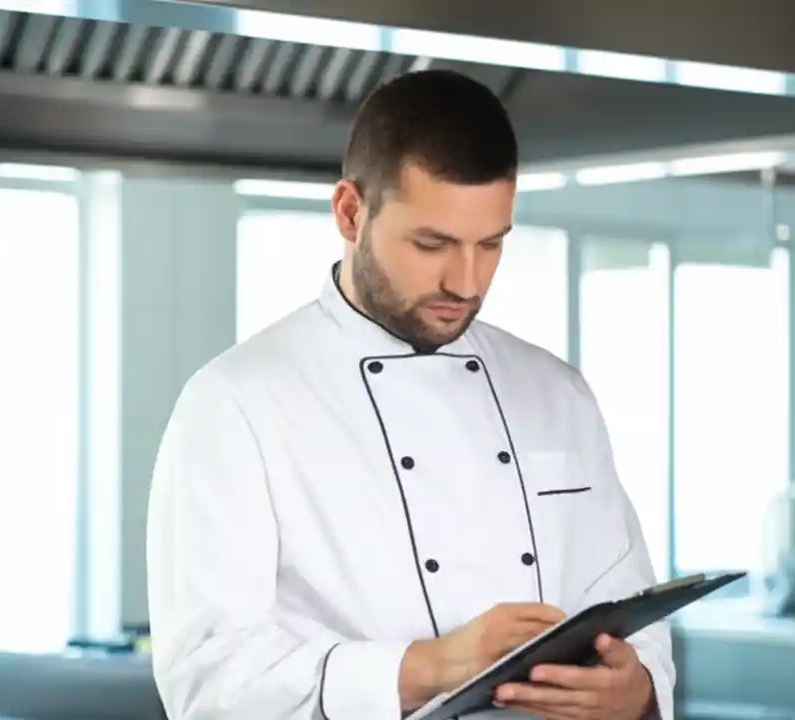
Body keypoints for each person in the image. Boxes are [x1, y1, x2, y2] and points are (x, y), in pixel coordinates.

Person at [146, 68, 672, 719]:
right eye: (433, 244)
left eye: (491, 245)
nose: (466, 280)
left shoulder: (557, 393)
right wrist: (432, 665)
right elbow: (206, 682)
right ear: (349, 211)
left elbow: (629, 605)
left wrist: (637, 688)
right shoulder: (236, 404)